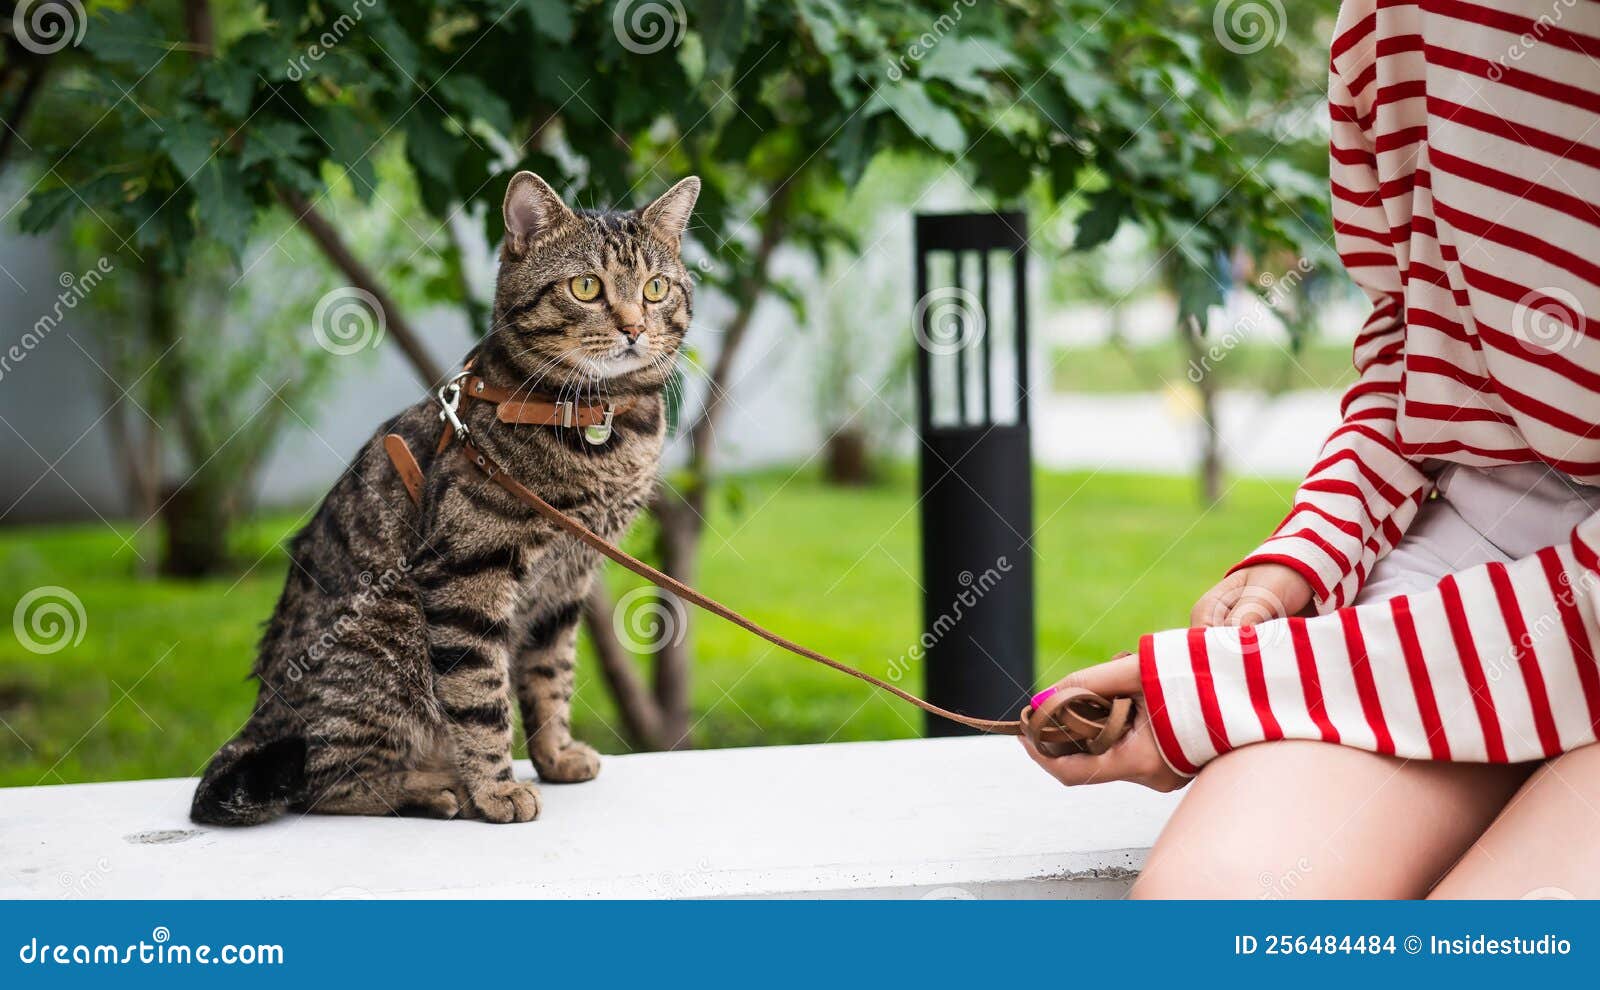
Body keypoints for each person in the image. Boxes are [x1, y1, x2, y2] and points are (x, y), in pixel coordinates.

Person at [1022, 0, 1600, 898]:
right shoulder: (1388, 18)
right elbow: (1417, 349)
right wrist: (1308, 554)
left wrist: (1234, 689)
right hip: (1480, 555)